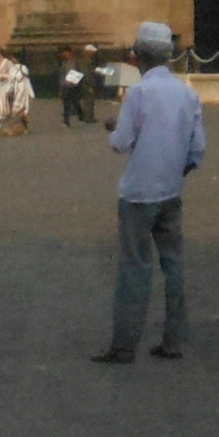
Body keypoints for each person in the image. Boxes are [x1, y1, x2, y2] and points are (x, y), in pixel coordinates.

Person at [93, 22, 203, 363]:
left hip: (138, 193)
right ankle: (173, 340)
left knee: (135, 267)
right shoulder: (188, 93)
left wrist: (114, 129)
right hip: (171, 191)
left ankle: (125, 344)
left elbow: (121, 142)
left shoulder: (139, 93)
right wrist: (173, 172)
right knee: (173, 264)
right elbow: (197, 150)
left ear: (139, 56)